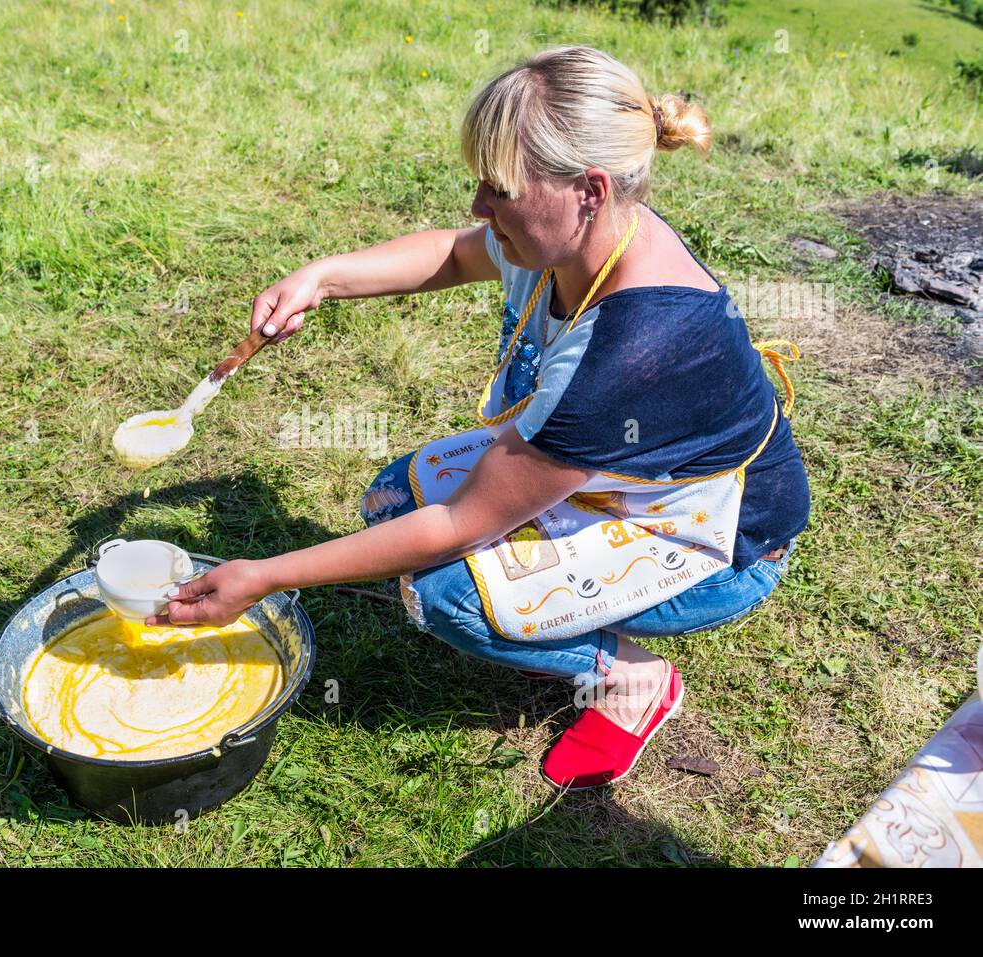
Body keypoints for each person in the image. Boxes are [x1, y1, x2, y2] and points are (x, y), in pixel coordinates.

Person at [147, 46, 811, 790]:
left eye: (497, 188)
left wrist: (262, 577)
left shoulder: (629, 351)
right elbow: (458, 255)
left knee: (441, 592)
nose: (477, 207)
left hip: (719, 541)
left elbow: (461, 523)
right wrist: (323, 278)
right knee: (391, 502)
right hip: (629, 479)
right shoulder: (587, 230)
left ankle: (630, 679)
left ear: (588, 189)